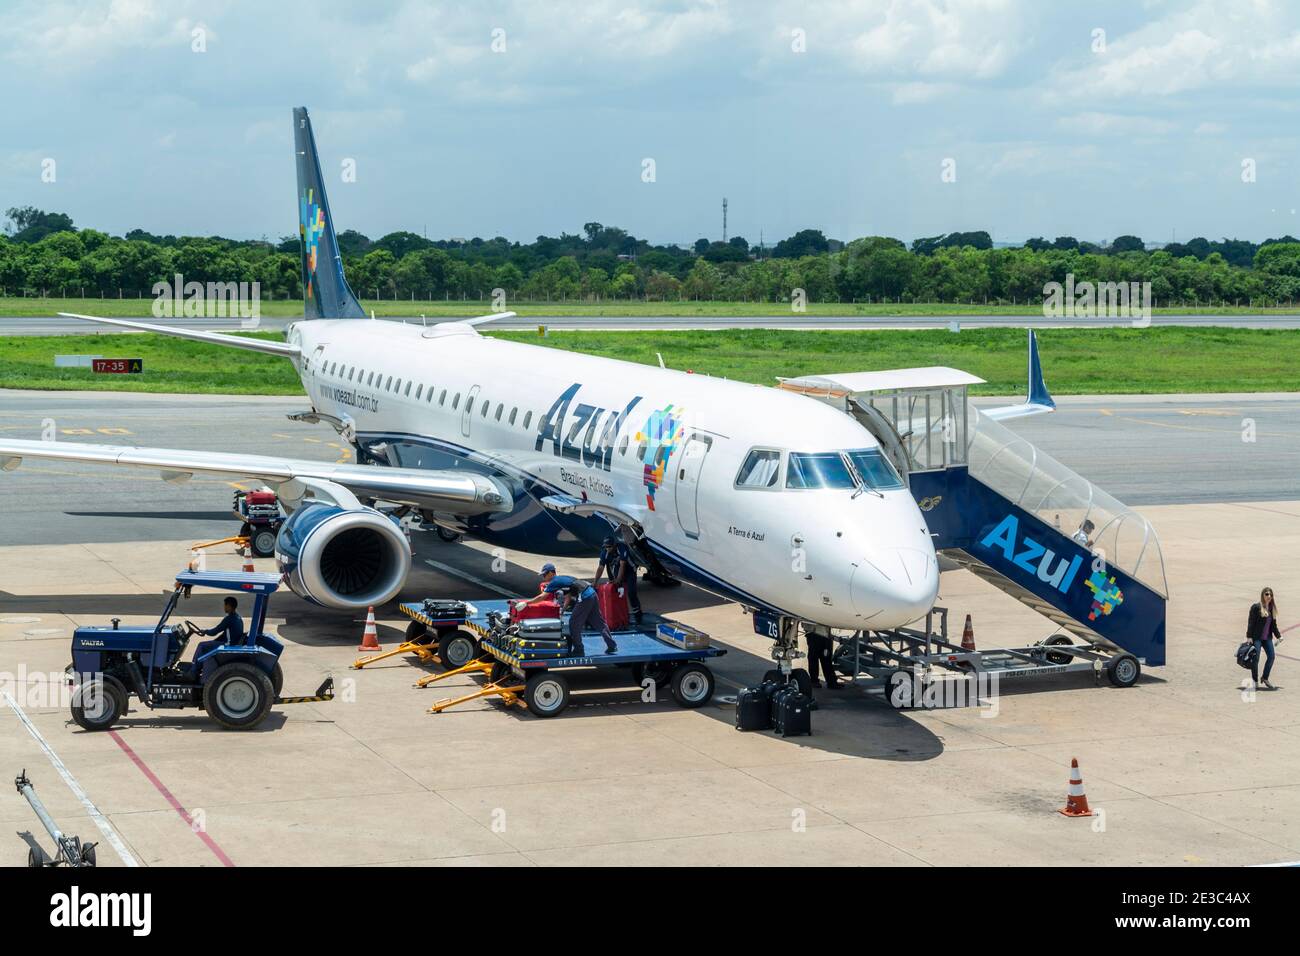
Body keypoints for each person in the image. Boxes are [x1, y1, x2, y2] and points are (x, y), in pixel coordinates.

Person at [517, 563, 617, 655]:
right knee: (598, 622)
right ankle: (612, 646)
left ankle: (579, 649)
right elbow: (568, 596)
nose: (544, 577)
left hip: (584, 596)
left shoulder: (554, 581)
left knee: (573, 622)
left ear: (552, 573)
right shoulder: (563, 579)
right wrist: (563, 610)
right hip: (592, 593)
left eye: (545, 574)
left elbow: (541, 597)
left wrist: (526, 603)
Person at [593, 535, 642, 625]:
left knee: (631, 592)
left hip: (629, 571)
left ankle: (638, 615)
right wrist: (595, 582)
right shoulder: (605, 552)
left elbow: (623, 565)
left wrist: (618, 580)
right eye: (606, 547)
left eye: (609, 546)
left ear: (614, 545)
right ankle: (618, 615)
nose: (607, 548)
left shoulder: (622, 548)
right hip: (616, 569)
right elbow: (600, 567)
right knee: (616, 593)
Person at [192, 596, 246, 666]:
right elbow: (225, 634)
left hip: (229, 645)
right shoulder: (238, 617)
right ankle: (200, 666)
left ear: (229, 606)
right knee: (209, 645)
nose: (224, 607)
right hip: (234, 643)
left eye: (225, 605)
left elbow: (214, 632)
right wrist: (214, 641)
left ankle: (193, 669)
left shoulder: (229, 619)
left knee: (201, 645)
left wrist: (205, 631)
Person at [1246, 586, 1282, 690]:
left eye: (1270, 594)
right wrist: (1249, 636)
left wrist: (1279, 636)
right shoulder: (1256, 607)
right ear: (1262, 595)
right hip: (1256, 638)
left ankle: (1265, 678)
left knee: (1271, 657)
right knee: (1255, 659)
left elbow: (1273, 626)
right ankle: (1255, 680)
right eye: (1266, 594)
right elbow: (1251, 622)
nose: (1269, 596)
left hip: (1267, 638)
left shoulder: (1272, 609)